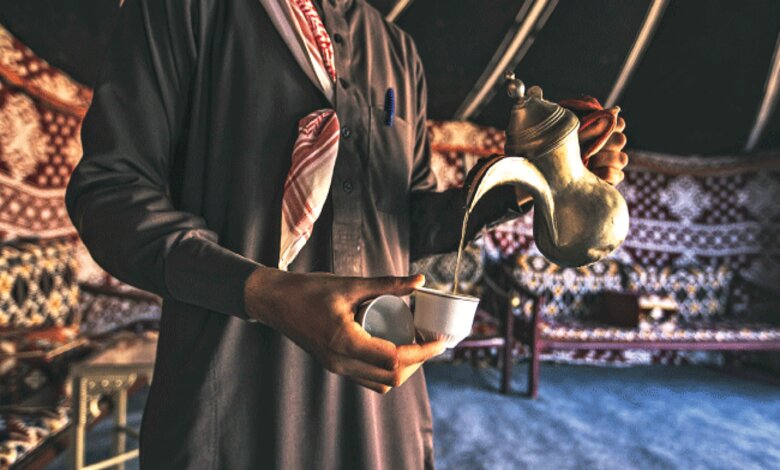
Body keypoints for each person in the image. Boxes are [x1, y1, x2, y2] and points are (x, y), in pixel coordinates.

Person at [65, 0, 628, 468]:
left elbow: (409, 219)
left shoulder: (397, 51)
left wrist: (525, 181)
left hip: (381, 407)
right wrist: (265, 292)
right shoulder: (188, 9)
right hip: (233, 399)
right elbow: (109, 193)